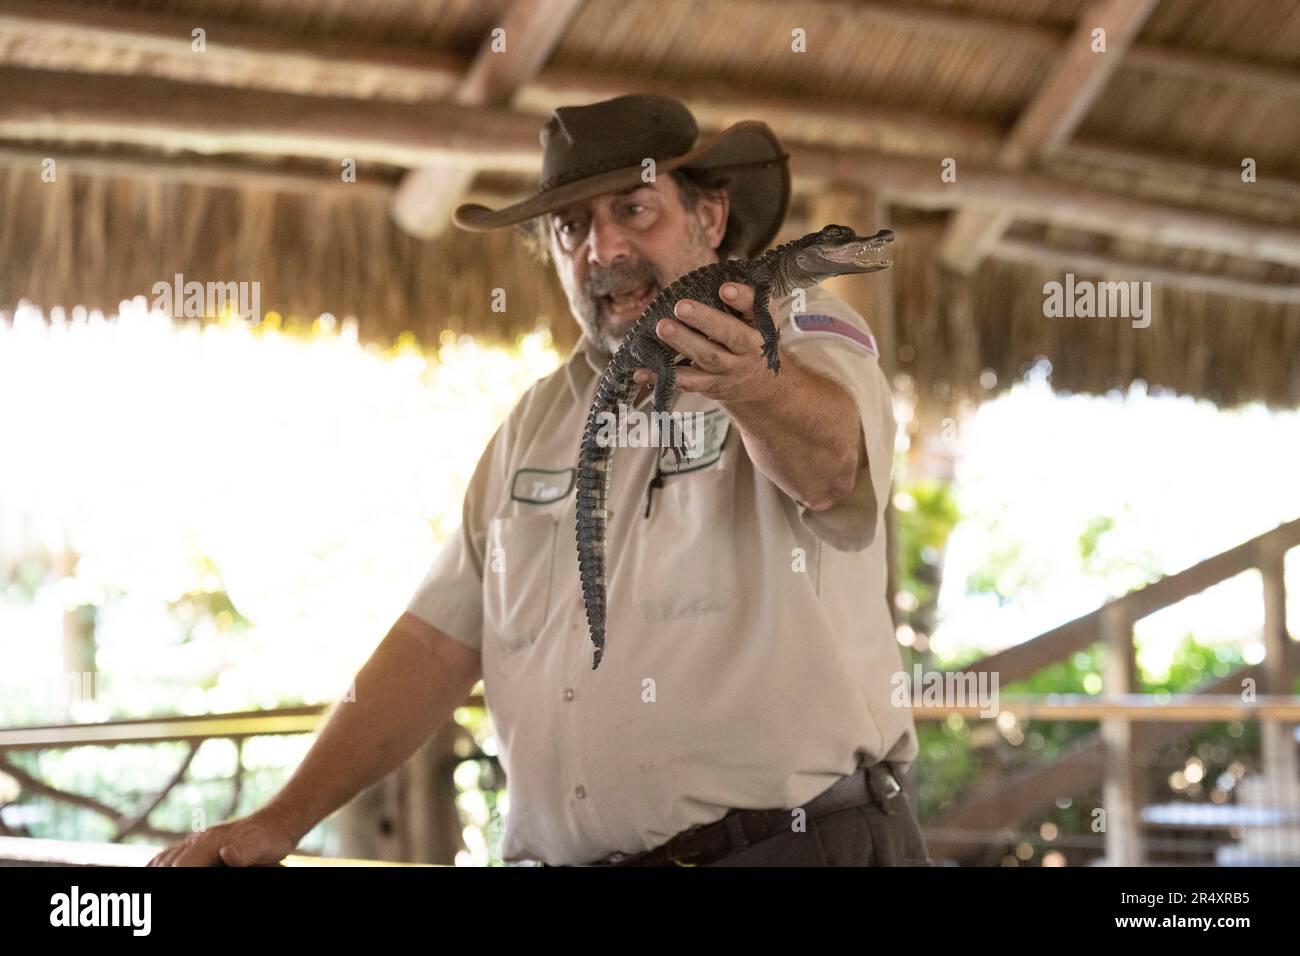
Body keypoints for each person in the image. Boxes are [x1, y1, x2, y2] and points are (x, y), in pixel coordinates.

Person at [148, 93, 928, 868]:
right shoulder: (535, 422)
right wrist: (282, 819)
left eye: (634, 209)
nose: (605, 247)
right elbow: (434, 641)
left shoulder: (792, 332)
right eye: (573, 227)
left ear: (710, 218)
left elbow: (834, 472)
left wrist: (752, 385)